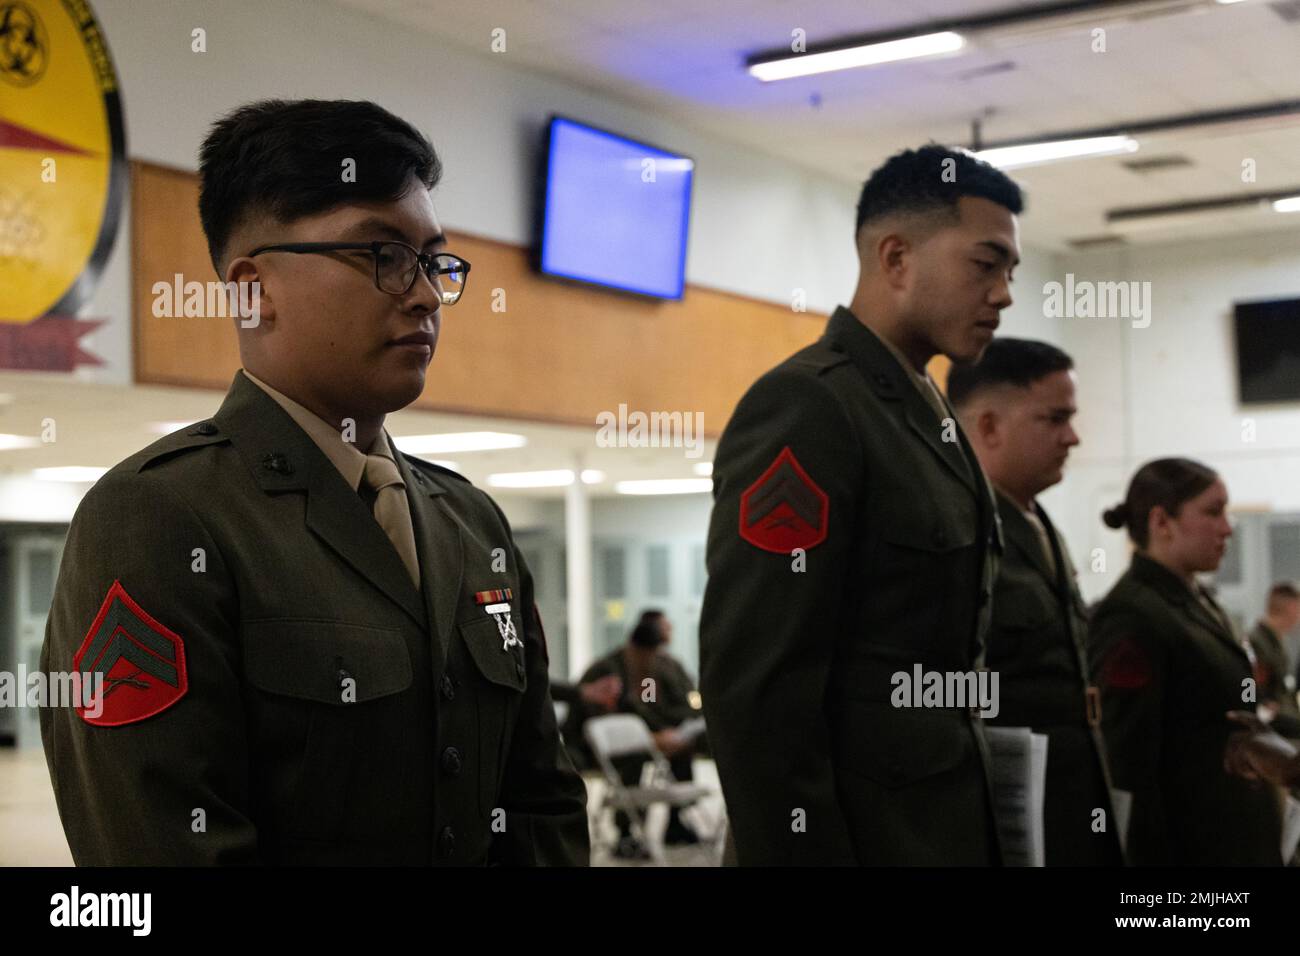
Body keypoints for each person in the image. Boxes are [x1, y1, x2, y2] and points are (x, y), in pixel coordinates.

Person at [39, 98, 588, 866]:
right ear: (254, 288)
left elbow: (541, 802)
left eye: (433, 260)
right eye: (384, 255)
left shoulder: (472, 523)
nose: (426, 292)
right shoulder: (160, 520)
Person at [701, 145, 1024, 865]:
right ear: (896, 258)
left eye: (1011, 271)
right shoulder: (811, 405)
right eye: (985, 263)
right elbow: (758, 688)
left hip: (935, 829)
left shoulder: (929, 412)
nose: (1004, 293)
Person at [948, 338, 1122, 866]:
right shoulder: (958, 530)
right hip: (1003, 811)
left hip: (1066, 796)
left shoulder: (1035, 521)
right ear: (989, 426)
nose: (1073, 437)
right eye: (1055, 419)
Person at [1089, 458, 1283, 865]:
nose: (1227, 528)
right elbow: (1129, 766)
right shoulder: (1133, 614)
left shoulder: (1200, 601)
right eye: (1213, 512)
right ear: (1162, 522)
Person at [565, 611, 704, 857]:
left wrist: (663, 735)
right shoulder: (607, 669)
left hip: (635, 741)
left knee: (679, 749)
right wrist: (651, 738)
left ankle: (675, 822)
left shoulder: (656, 666)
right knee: (634, 757)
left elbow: (642, 711)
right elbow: (592, 720)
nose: (651, 660)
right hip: (589, 747)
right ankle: (626, 833)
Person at [1248, 582, 1300, 734]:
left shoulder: (1275, 641)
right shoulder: (1256, 642)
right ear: (1291, 608)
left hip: (1282, 714)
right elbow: (1247, 682)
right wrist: (1254, 706)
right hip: (1270, 720)